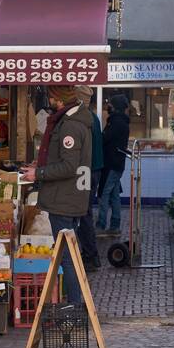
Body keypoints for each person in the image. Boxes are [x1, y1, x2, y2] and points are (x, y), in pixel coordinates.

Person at [21, 86, 92, 303]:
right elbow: (65, 160)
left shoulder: (69, 126)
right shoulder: (71, 121)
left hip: (64, 200)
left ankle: (75, 307)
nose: (49, 99)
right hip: (68, 197)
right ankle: (76, 304)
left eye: (51, 96)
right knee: (70, 256)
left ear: (59, 99)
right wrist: (39, 164)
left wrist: (39, 173)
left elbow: (69, 166)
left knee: (68, 258)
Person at [75, 85, 102, 271]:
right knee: (85, 211)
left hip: (86, 170)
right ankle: (89, 253)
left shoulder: (84, 118)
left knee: (83, 212)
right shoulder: (93, 117)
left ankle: (91, 256)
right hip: (93, 169)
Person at [98, 93, 130, 232]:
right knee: (114, 194)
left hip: (111, 164)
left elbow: (104, 139)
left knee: (104, 194)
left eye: (110, 104)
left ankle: (101, 224)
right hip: (117, 164)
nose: (107, 106)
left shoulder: (116, 122)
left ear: (115, 107)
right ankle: (115, 225)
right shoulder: (122, 121)